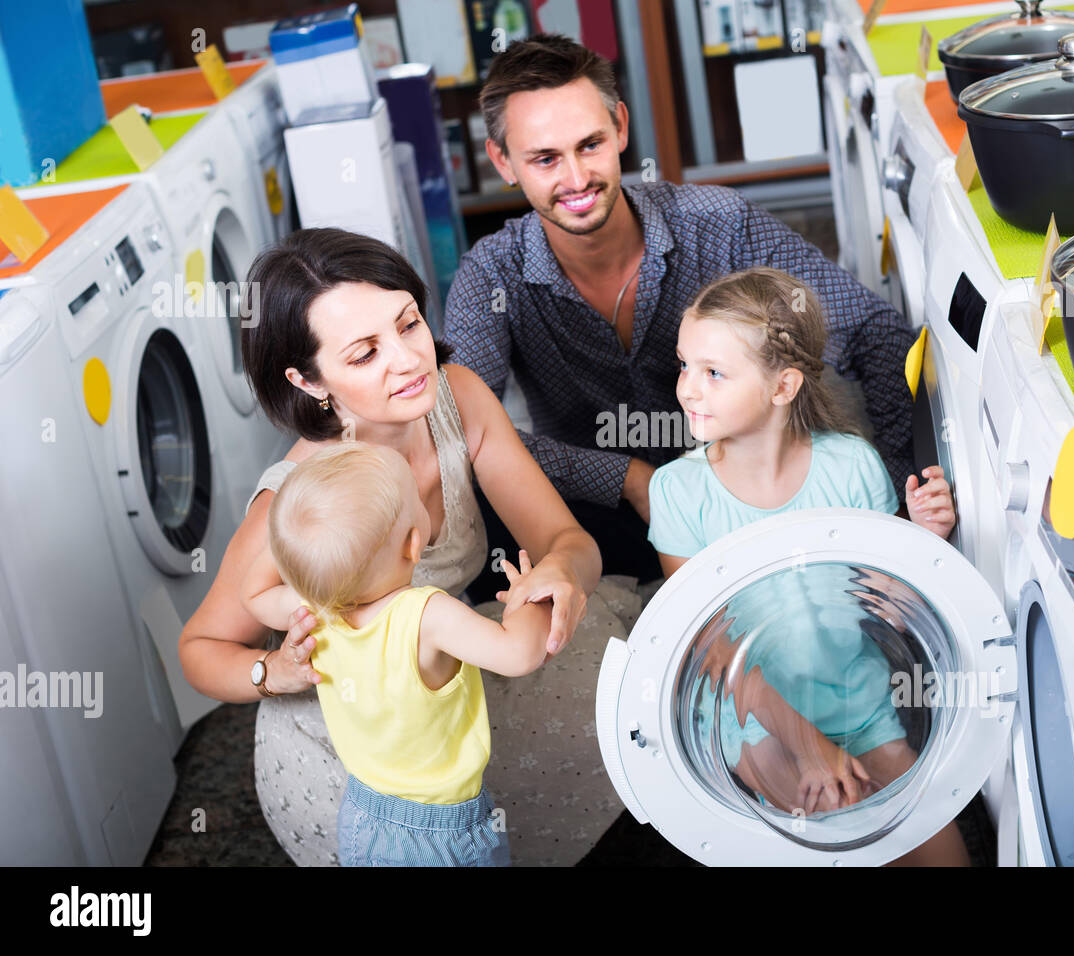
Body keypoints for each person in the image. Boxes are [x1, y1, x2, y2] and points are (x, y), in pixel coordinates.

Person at [177, 228, 601, 866]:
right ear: (308, 379)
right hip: (354, 756)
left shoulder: (458, 398)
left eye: (408, 323)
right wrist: (276, 672)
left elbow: (568, 542)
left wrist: (564, 572)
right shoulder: (299, 498)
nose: (408, 359)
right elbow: (199, 651)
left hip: (443, 686)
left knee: (624, 671)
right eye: (365, 353)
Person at [441, 34, 915, 600]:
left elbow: (873, 331)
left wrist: (897, 489)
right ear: (504, 162)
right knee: (482, 503)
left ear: (620, 127)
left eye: (590, 145)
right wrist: (626, 479)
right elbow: (459, 427)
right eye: (545, 159)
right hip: (597, 514)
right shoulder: (491, 274)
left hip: (748, 492)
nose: (575, 179)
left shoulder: (716, 222)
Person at [647, 267, 968, 866]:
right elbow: (715, 654)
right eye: (684, 365)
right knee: (822, 832)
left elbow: (885, 611)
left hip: (859, 699)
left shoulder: (851, 467)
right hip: (751, 718)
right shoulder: (678, 492)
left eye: (713, 372)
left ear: (783, 385)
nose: (688, 388)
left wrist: (927, 540)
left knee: (939, 853)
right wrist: (811, 747)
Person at [242, 442, 552, 866]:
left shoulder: (316, 607)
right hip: (443, 831)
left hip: (363, 815)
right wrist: (529, 600)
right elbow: (521, 654)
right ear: (413, 542)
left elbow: (253, 593)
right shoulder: (428, 614)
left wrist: (296, 545)